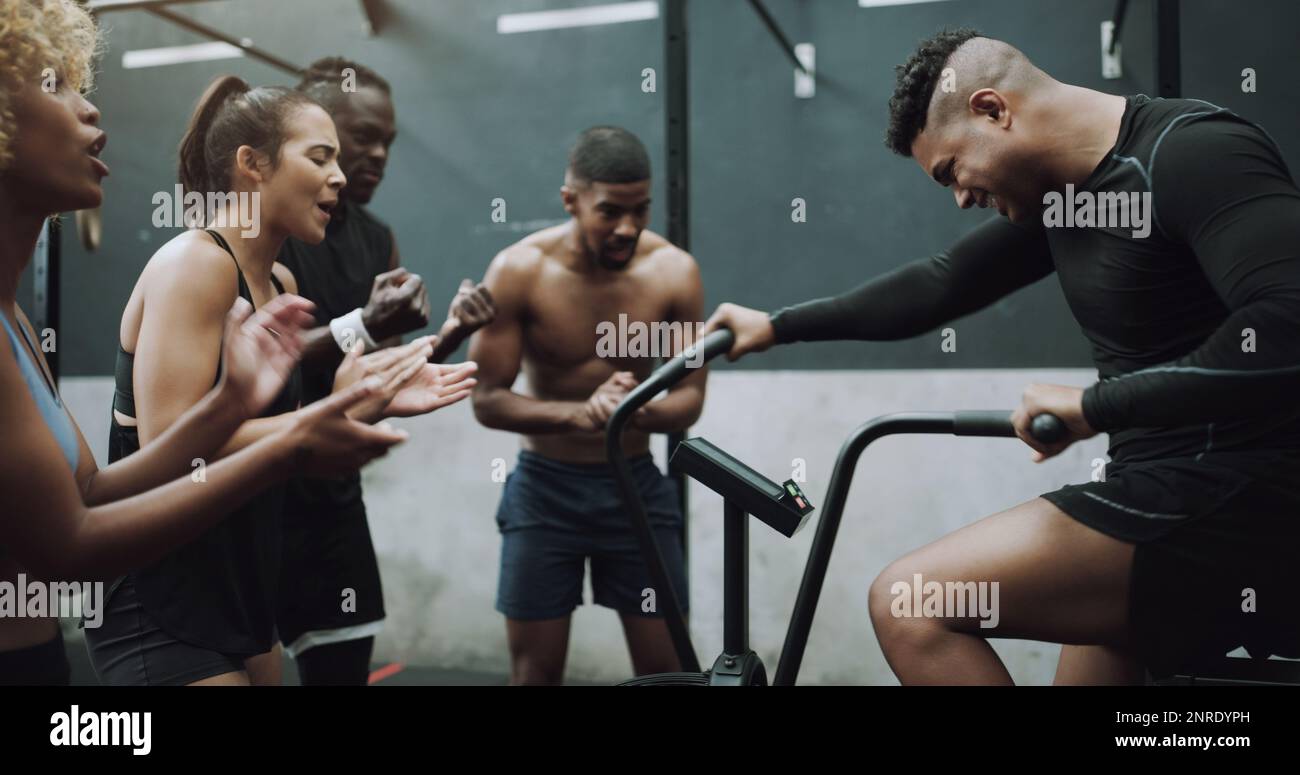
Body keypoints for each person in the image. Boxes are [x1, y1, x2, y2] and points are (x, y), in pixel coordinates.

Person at [702, 29, 1300, 684]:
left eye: (952, 170)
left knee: (912, 601)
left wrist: (1094, 406)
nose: (959, 198)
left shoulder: (1193, 152)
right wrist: (777, 325)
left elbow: (1283, 322)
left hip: (1240, 494)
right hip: (1155, 496)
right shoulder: (1068, 199)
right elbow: (940, 283)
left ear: (991, 108)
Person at [0, 0, 406, 686]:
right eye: (55, 85)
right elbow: (71, 546)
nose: (92, 111)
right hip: (162, 606)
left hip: (214, 603)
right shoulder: (196, 262)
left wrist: (245, 401)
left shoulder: (15, 324)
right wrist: (295, 441)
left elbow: (95, 492)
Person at [84, 74, 475, 686]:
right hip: (160, 593)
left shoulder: (282, 286)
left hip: (243, 590)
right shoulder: (196, 265)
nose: (340, 176)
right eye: (320, 157)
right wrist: (329, 417)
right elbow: (172, 447)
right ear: (252, 167)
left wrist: (360, 404)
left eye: (337, 160)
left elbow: (256, 430)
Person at [275, 57, 495, 685]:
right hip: (254, 488)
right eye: (360, 137)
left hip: (333, 495)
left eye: (387, 141)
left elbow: (381, 371)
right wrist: (364, 324)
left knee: (341, 671)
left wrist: (452, 333)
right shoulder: (261, 230)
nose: (377, 154)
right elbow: (257, 354)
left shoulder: (376, 238)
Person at [470, 126, 706, 685]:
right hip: (544, 491)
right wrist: (579, 415)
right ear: (570, 200)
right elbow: (486, 400)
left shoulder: (673, 273)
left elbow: (690, 399)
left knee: (666, 672)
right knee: (536, 673)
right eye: (610, 211)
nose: (628, 227)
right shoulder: (519, 271)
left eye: (641, 209)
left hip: (636, 487)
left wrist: (628, 412)